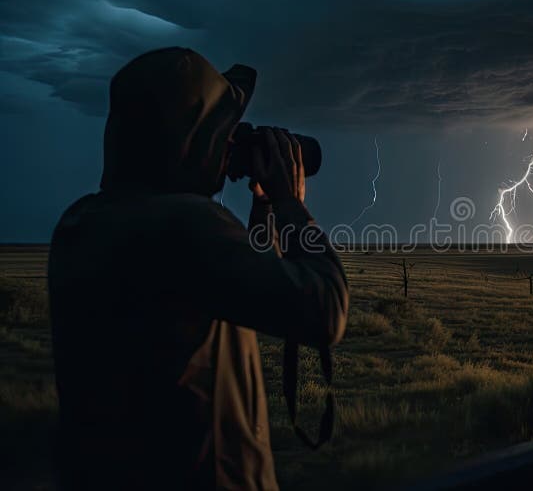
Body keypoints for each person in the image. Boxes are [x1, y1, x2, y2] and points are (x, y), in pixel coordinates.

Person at [47, 47, 348, 490]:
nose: (230, 146)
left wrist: (262, 208)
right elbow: (325, 309)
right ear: (189, 139)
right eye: (221, 133)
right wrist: (290, 206)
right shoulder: (182, 226)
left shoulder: (82, 225)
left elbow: (242, 281)